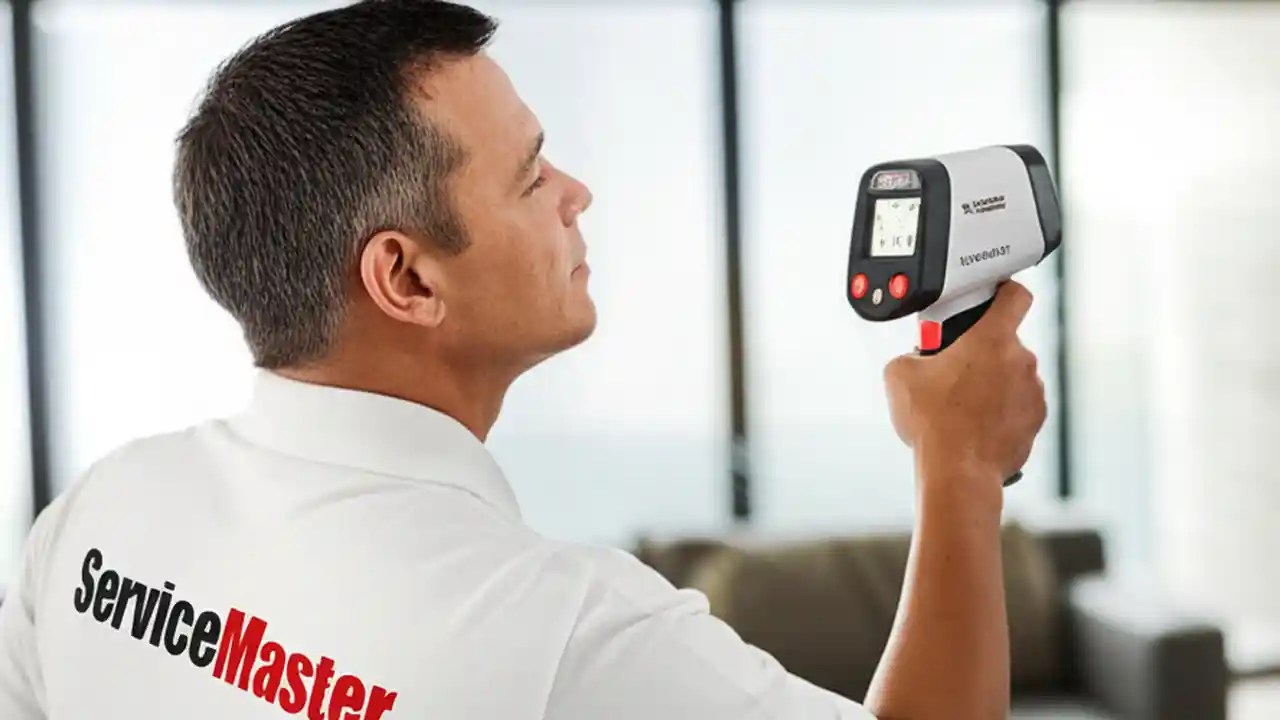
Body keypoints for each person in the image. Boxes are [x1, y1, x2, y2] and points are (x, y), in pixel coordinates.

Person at [0, 1, 1046, 718]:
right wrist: (955, 466)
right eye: (530, 173)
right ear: (405, 279)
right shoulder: (560, 629)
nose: (575, 192)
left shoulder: (99, 512)